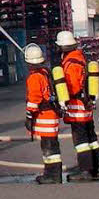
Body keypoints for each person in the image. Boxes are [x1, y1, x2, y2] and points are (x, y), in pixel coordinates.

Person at [55, 31, 99, 182]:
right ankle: (97, 168)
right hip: (86, 105)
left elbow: (73, 87)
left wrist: (61, 96)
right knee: (92, 138)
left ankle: (85, 171)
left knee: (81, 141)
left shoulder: (70, 63)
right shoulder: (80, 58)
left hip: (77, 107)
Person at [24, 43, 62, 184]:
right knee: (52, 146)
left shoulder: (34, 77)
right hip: (51, 114)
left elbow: (34, 99)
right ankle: (54, 174)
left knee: (48, 147)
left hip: (44, 116)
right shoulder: (45, 72)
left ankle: (51, 175)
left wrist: (29, 116)